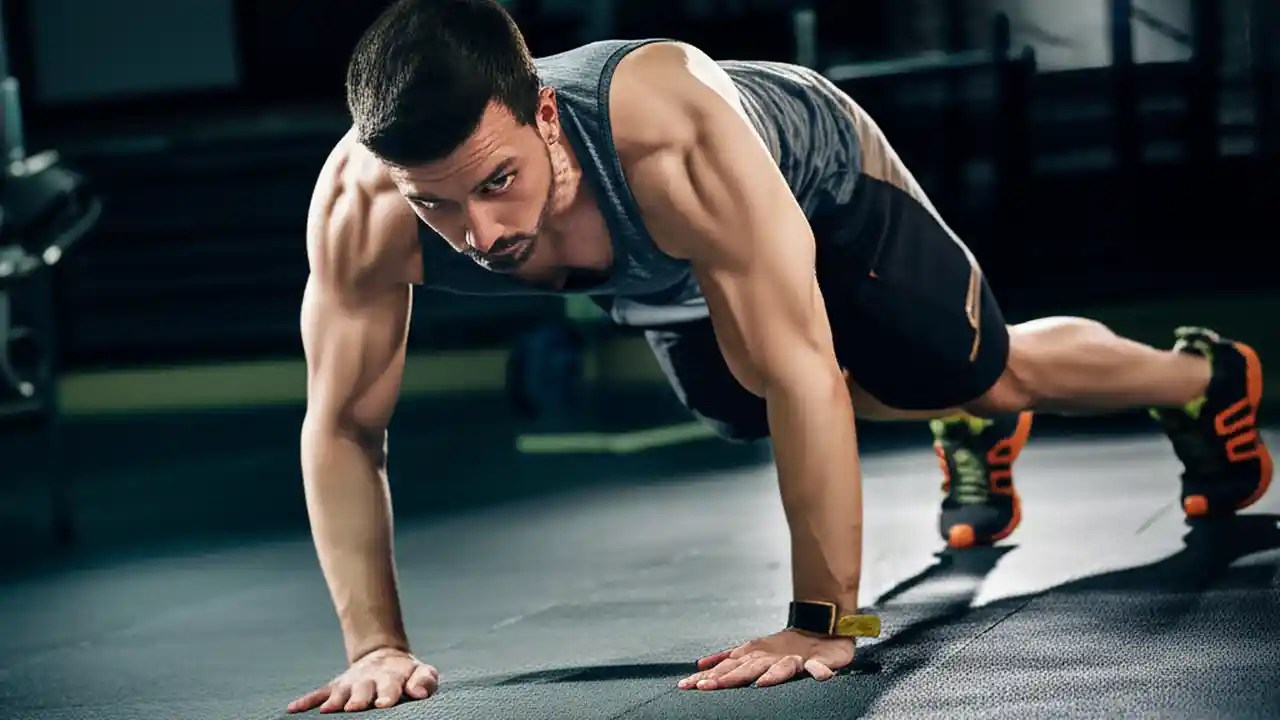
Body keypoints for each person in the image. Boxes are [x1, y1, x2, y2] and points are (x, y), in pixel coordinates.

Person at [289, 0, 1273, 713]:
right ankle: (961, 417)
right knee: (754, 404)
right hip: (676, 269)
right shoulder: (361, 208)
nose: (479, 232)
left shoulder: (664, 131)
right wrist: (374, 645)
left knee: (978, 375)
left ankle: (1202, 378)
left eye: (497, 181)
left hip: (820, 189)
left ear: (545, 114)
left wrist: (820, 621)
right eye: (436, 203)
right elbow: (341, 424)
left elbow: (805, 362)